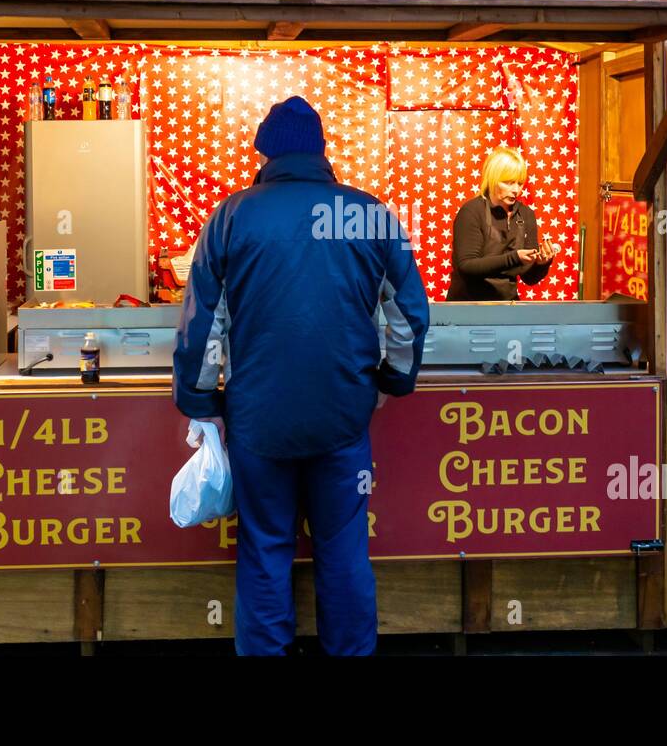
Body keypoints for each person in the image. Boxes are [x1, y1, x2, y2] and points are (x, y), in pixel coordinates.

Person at [172, 95, 429, 656]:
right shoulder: (371, 214)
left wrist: (197, 398)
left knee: (264, 547)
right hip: (343, 417)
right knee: (343, 549)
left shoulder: (231, 216)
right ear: (321, 152)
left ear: (263, 153)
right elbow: (408, 316)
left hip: (258, 422)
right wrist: (392, 380)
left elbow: (201, 323)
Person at [446, 145, 560, 301]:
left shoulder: (526, 214)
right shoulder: (471, 211)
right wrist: (514, 258)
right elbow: (467, 266)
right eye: (508, 182)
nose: (516, 190)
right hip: (468, 308)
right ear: (492, 179)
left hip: (507, 307)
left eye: (519, 184)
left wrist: (541, 263)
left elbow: (529, 278)